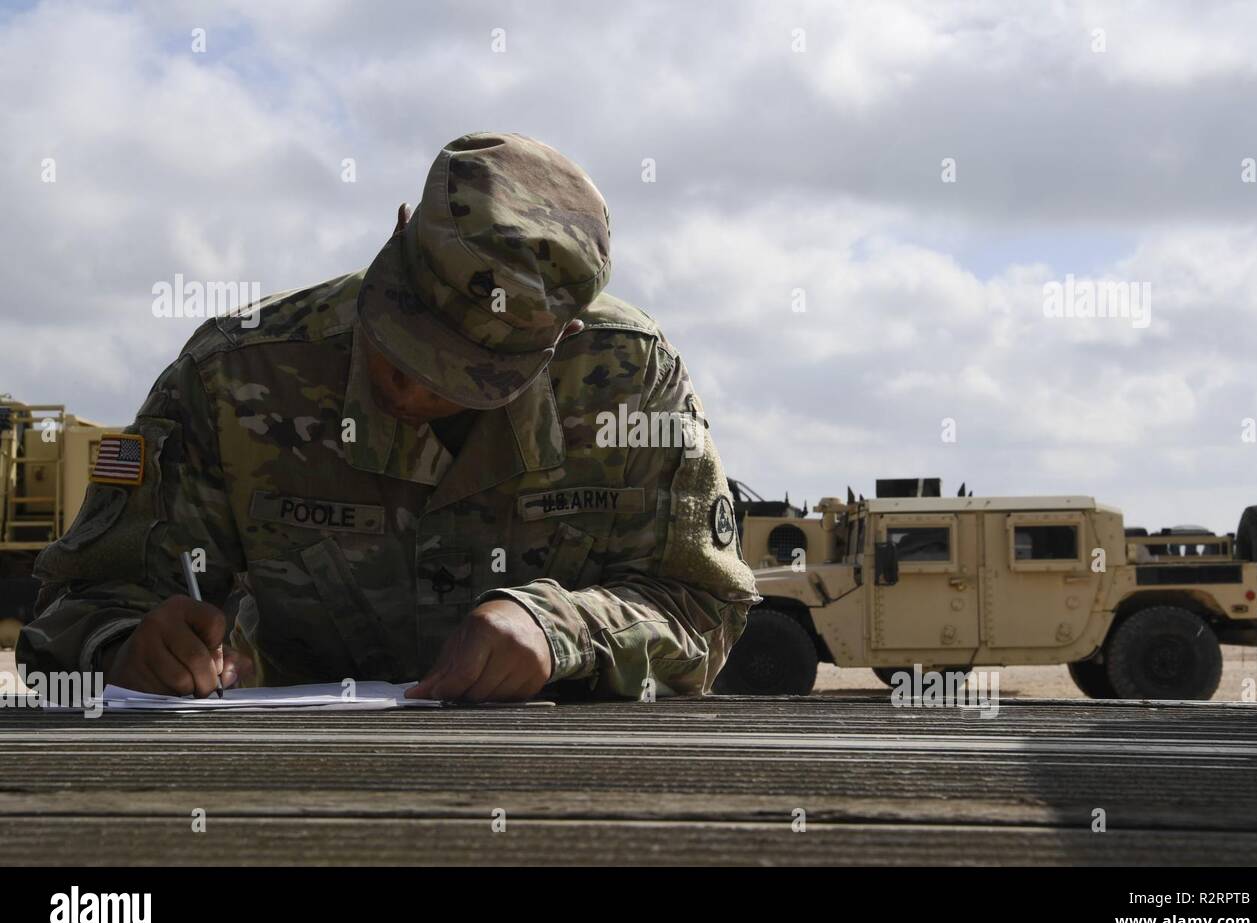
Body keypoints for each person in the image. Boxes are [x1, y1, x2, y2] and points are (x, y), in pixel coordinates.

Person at [18, 132, 759, 702]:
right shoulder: (235, 374)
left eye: (459, 372)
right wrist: (125, 646)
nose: (407, 387)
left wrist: (561, 629)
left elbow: (703, 607)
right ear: (399, 232)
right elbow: (74, 605)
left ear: (557, 343)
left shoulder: (627, 381)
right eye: (398, 335)